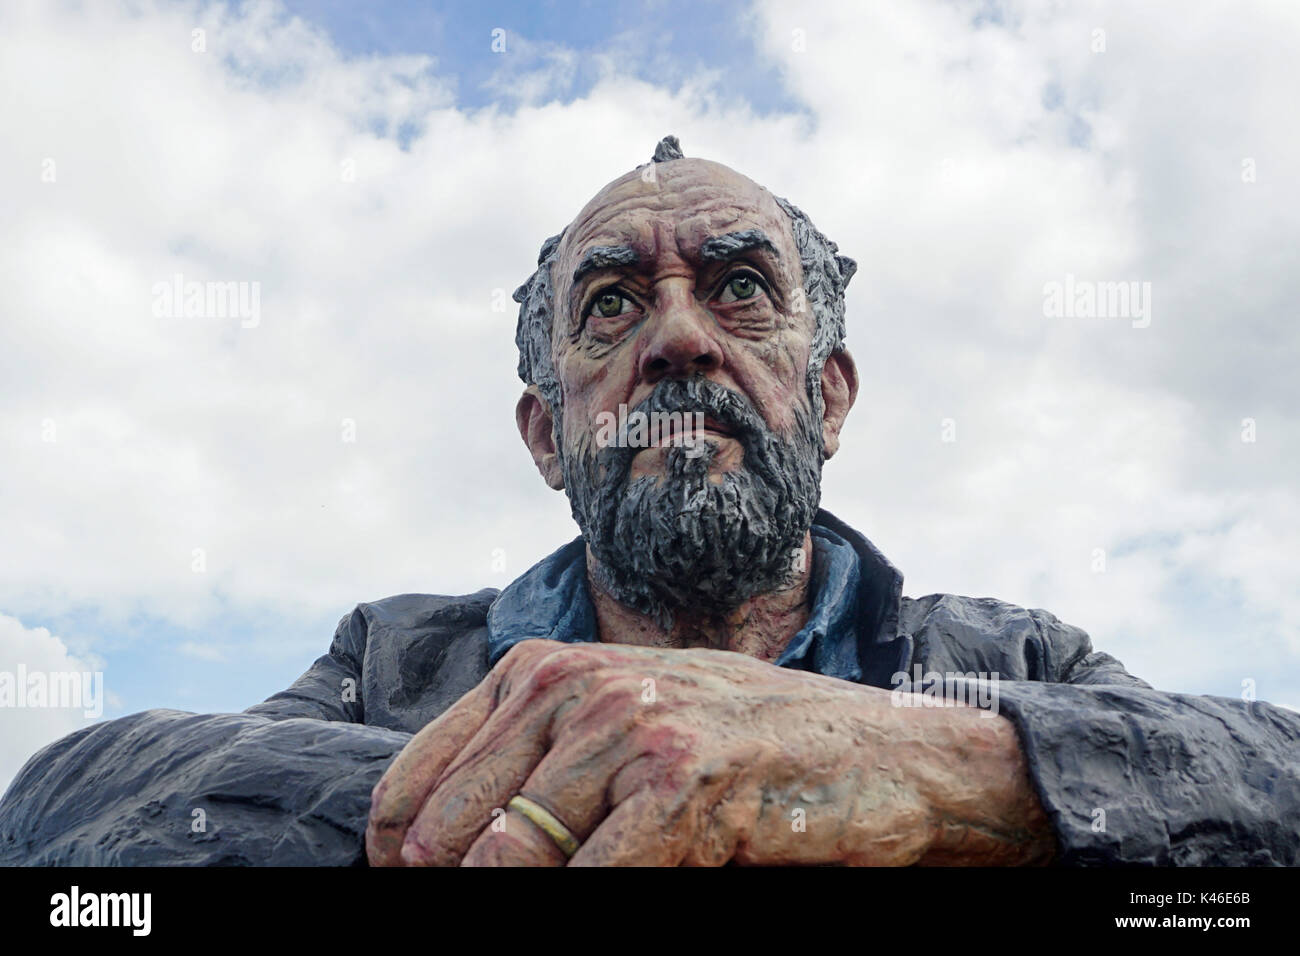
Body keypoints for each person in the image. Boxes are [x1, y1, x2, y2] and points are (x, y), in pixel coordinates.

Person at [3, 137, 1296, 866]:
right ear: (546, 434)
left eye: (739, 289)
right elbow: (66, 822)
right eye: (610, 306)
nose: (677, 338)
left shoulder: (1015, 664)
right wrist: (601, 778)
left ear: (830, 396)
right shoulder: (392, 658)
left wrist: (934, 774)